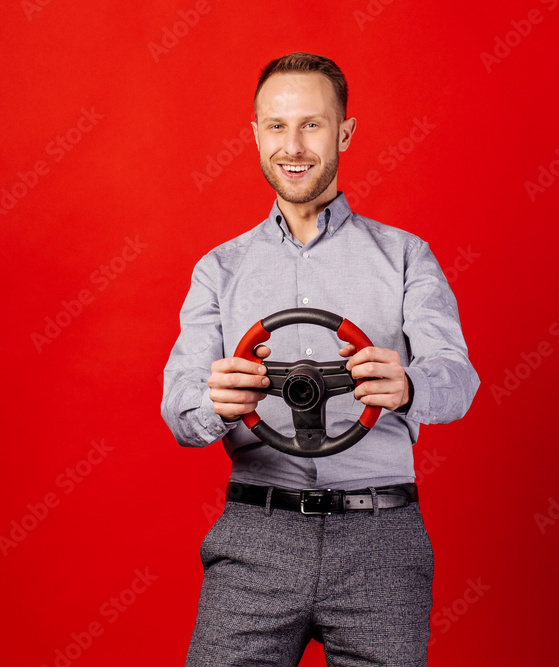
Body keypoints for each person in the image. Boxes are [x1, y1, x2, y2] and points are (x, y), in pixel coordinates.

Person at [161, 52, 478, 666]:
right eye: (277, 126)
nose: (293, 146)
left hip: (383, 540)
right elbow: (179, 412)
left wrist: (409, 384)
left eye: (312, 124)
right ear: (255, 135)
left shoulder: (407, 256)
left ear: (345, 132)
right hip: (256, 535)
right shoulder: (218, 270)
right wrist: (213, 404)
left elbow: (458, 378)